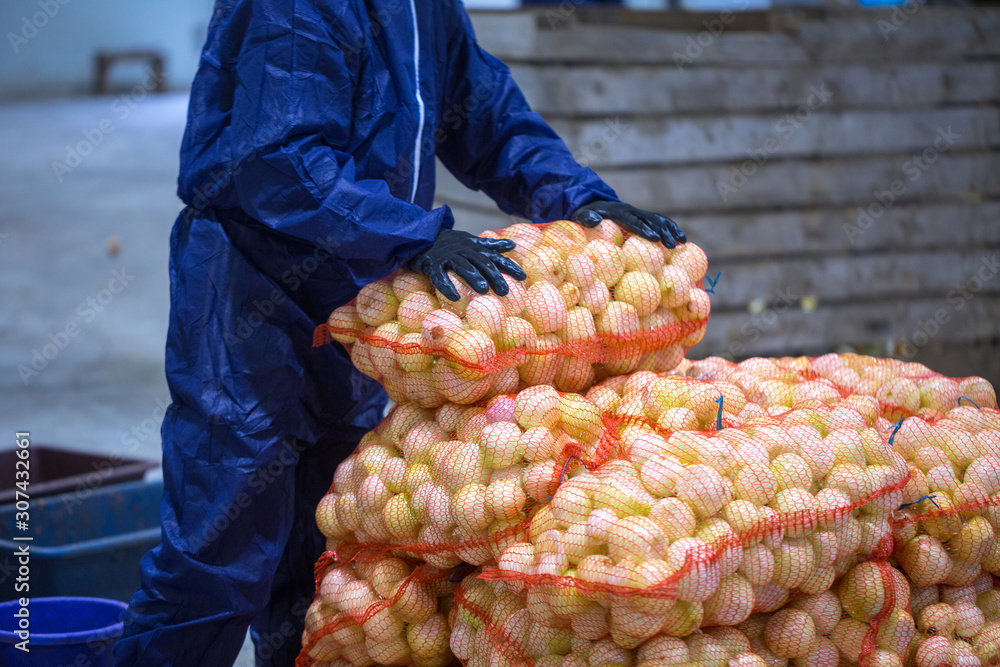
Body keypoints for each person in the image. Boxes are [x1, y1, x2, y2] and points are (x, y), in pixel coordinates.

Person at [114, 0, 686, 665]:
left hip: (357, 296)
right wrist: (412, 234)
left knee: (328, 547)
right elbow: (278, 161)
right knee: (219, 555)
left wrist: (574, 194)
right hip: (250, 293)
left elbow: (482, 112)